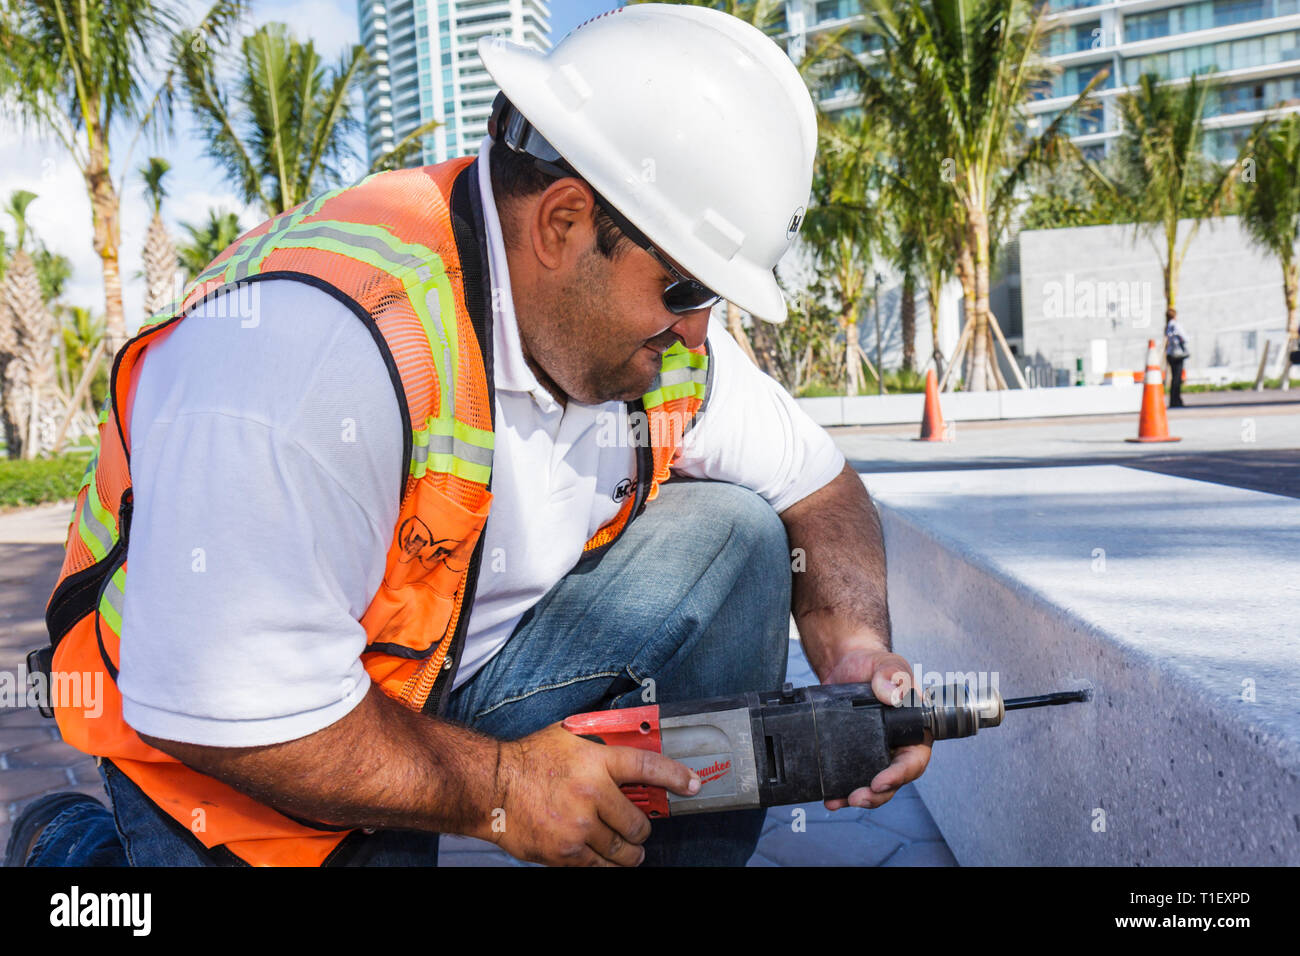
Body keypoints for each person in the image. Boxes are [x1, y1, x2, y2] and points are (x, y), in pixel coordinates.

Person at [8, 5, 929, 868]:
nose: (697, 328)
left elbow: (821, 487)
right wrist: (501, 792)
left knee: (736, 535)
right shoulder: (316, 353)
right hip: (233, 739)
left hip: (446, 671)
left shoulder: (664, 344)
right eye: (686, 289)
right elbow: (226, 709)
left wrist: (855, 651)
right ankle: (73, 848)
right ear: (564, 222)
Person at [1164, 310, 1189, 408]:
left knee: (1174, 377)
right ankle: (1177, 399)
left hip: (1170, 354)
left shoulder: (1167, 326)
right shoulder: (1175, 325)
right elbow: (1184, 337)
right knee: (1177, 378)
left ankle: (1173, 400)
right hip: (1178, 354)